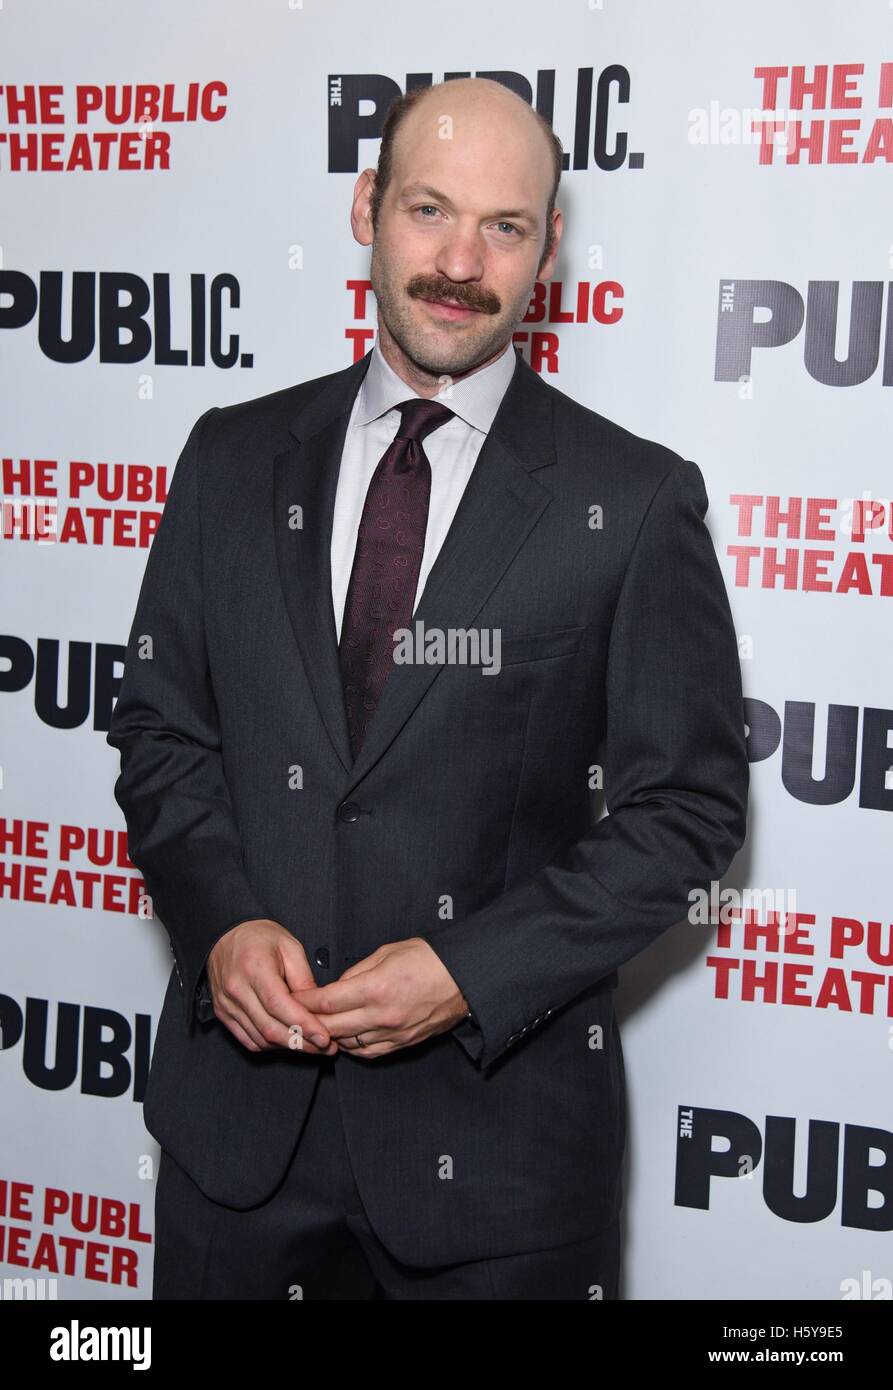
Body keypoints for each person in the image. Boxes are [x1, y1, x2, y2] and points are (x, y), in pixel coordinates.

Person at [107, 76, 749, 1300]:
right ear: (365, 207)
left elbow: (686, 816)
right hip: (235, 1151)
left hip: (498, 1183)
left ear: (549, 246)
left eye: (503, 227)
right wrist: (222, 916)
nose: (459, 262)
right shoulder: (231, 457)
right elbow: (160, 727)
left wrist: (470, 974)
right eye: (428, 210)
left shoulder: (633, 500)